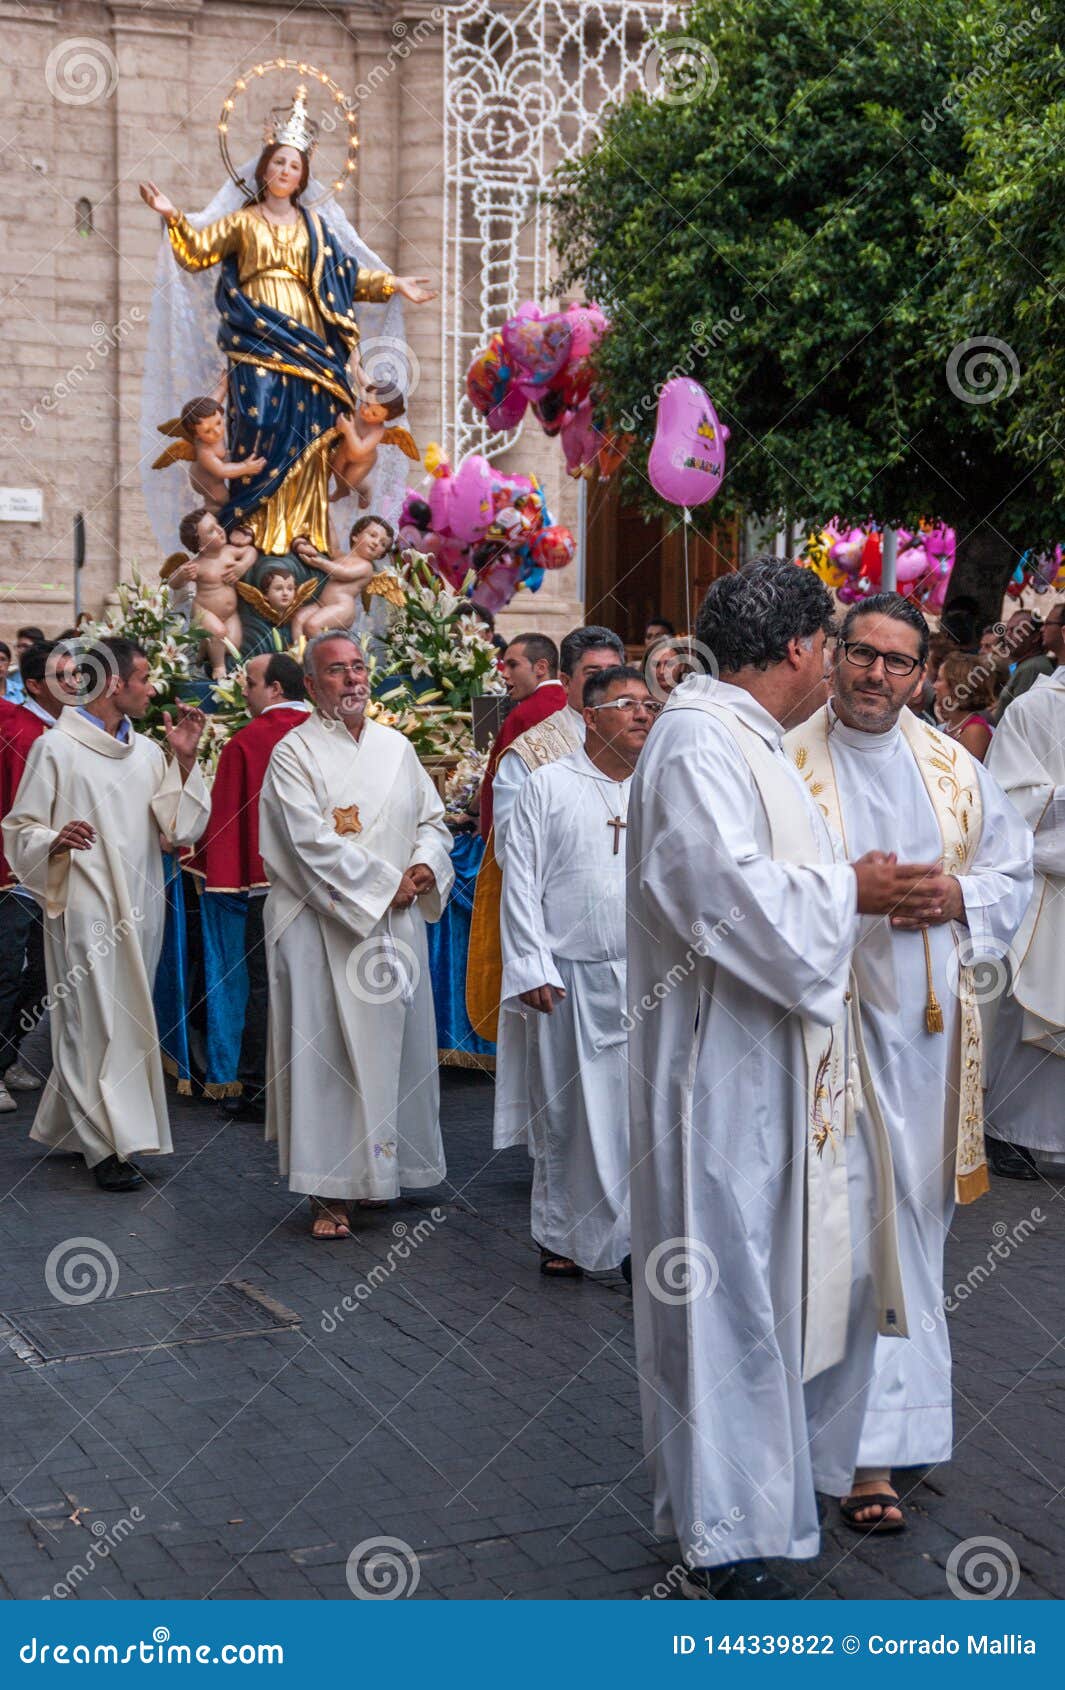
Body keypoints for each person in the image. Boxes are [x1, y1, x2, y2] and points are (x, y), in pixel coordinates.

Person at [626, 559, 940, 1600]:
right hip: (717, 1067)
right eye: (835, 643)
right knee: (720, 1298)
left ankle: (760, 1496)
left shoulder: (741, 739)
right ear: (802, 647)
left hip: (770, 1065)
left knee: (768, 1292)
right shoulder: (700, 740)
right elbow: (718, 895)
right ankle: (727, 1533)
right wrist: (848, 889)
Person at [785, 594, 1032, 1531]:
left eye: (897, 663)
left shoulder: (951, 770)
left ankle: (890, 1442)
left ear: (924, 675)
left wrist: (957, 896)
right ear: (833, 656)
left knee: (911, 1246)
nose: (874, 676)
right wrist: (848, 897)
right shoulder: (783, 760)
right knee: (837, 1245)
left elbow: (1009, 876)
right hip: (817, 1045)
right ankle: (836, 1451)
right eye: (860, 655)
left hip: (926, 1050)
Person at [258, 632, 454, 1239]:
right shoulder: (294, 753)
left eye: (359, 668)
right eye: (337, 672)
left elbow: (433, 818)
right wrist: (382, 886)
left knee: (396, 1050)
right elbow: (305, 841)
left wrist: (425, 865)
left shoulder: (397, 746)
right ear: (312, 686)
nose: (353, 680)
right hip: (323, 926)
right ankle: (328, 1190)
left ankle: (383, 1176)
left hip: (392, 924)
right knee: (328, 1058)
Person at [2, 639, 210, 1190]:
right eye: (143, 677)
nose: (152, 688)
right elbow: (19, 830)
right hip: (85, 906)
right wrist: (54, 839)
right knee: (91, 1021)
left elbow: (179, 831)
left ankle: (77, 1124)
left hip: (141, 906)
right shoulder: (57, 750)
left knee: (125, 1021)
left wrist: (185, 761)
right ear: (114, 683)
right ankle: (108, 1147)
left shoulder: (146, 754)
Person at [496, 666, 654, 1277]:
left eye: (648, 705)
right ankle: (564, 1235)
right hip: (569, 977)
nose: (642, 714)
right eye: (626, 704)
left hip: (649, 977)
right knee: (571, 1113)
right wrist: (531, 964)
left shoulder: (657, 788)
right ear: (590, 717)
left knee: (639, 1112)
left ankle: (638, 1237)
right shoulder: (547, 784)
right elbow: (522, 880)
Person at [185, 653, 310, 1120]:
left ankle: (256, 1088)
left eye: (251, 683)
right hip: (334, 887)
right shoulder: (330, 734)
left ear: (276, 689)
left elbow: (223, 820)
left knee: (264, 986)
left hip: (269, 888)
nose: (245, 691)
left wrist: (194, 853)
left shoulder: (247, 742)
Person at [984, 599, 1065, 1177]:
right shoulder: (1036, 710)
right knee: (1024, 1014)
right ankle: (1011, 1132)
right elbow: (1008, 800)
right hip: (1044, 888)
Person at [0, 642, 82, 1109]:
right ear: (34, 685)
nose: (75, 684)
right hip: (14, 873)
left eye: (77, 674)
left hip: (52, 868)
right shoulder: (19, 730)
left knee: (44, 976)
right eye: (64, 677)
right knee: (8, 971)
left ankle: (9, 1055)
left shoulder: (66, 731)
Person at [490, 626, 625, 854]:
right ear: (565, 681)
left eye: (615, 672)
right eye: (593, 673)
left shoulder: (644, 741)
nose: (608, 684)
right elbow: (512, 847)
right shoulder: (528, 752)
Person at [478, 634, 566, 841]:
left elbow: (498, 776)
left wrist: (475, 813)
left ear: (541, 668)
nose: (504, 674)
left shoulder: (523, 715)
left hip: (525, 832)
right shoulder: (572, 703)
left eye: (513, 665)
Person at [933, 649, 998, 760]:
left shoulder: (974, 730)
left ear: (955, 686)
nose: (934, 685)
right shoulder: (953, 723)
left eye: (939, 679)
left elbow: (969, 775)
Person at [992, 609, 1054, 722]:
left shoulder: (1033, 667)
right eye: (1007, 630)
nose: (1008, 636)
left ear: (1035, 637)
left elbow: (1017, 718)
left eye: (1017, 631)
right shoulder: (1026, 664)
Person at [4, 627, 47, 706]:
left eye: (25, 646)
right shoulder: (9, 675)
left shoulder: (47, 675)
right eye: (18, 646)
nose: (20, 651)